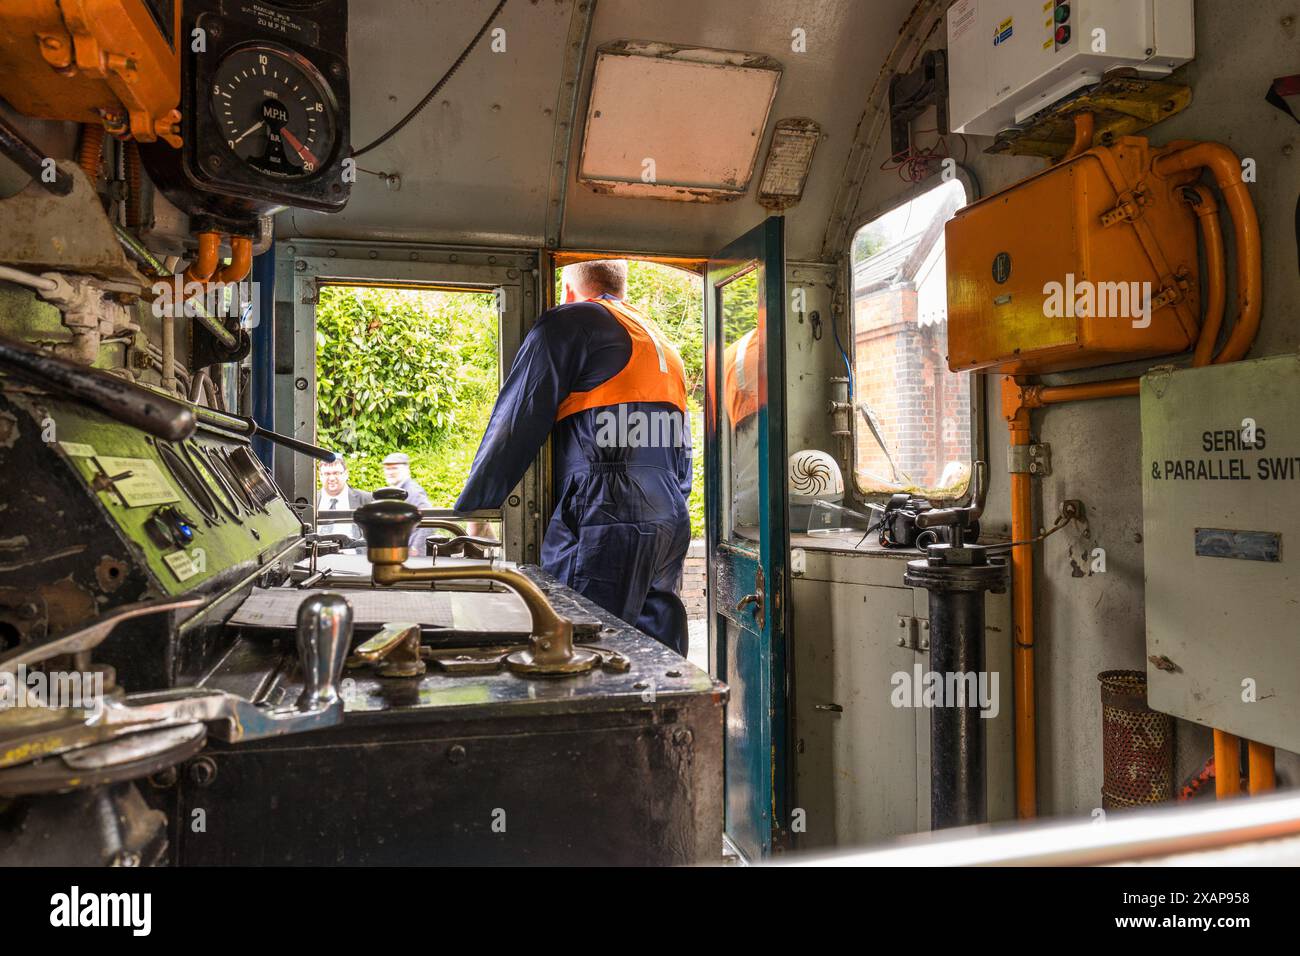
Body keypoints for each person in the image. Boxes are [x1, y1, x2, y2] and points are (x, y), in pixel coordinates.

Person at [454, 259, 692, 654]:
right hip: (669, 513)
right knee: (656, 655)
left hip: (607, 510)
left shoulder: (572, 321)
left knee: (581, 647)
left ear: (567, 289)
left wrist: (477, 510)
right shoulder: (661, 342)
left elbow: (517, 418)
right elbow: (682, 448)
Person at [381, 452, 432, 558]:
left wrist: (415, 548)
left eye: (394, 468)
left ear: (406, 469)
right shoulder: (396, 491)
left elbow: (428, 519)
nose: (390, 472)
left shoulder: (413, 491)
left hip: (412, 556)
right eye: (387, 469)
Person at [317, 458, 373, 551]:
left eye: (336, 473)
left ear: (346, 474)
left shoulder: (366, 499)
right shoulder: (311, 501)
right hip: (317, 559)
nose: (331, 478)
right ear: (320, 476)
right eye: (327, 474)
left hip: (354, 560)